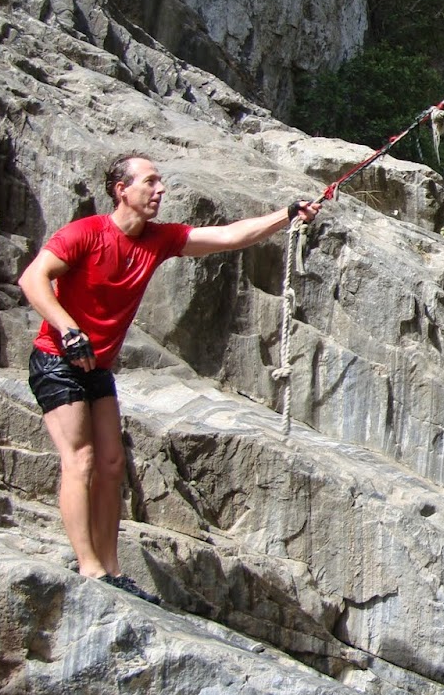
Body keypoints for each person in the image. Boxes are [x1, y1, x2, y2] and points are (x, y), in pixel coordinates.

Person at [17, 152, 321, 604]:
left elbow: (227, 236)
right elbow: (33, 278)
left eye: (161, 183)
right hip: (57, 360)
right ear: (122, 189)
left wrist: (287, 215)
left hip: (97, 368)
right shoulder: (84, 233)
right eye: (150, 182)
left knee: (113, 465)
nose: (160, 190)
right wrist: (68, 328)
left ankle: (112, 569)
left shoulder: (157, 240)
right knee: (80, 461)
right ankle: (89, 568)